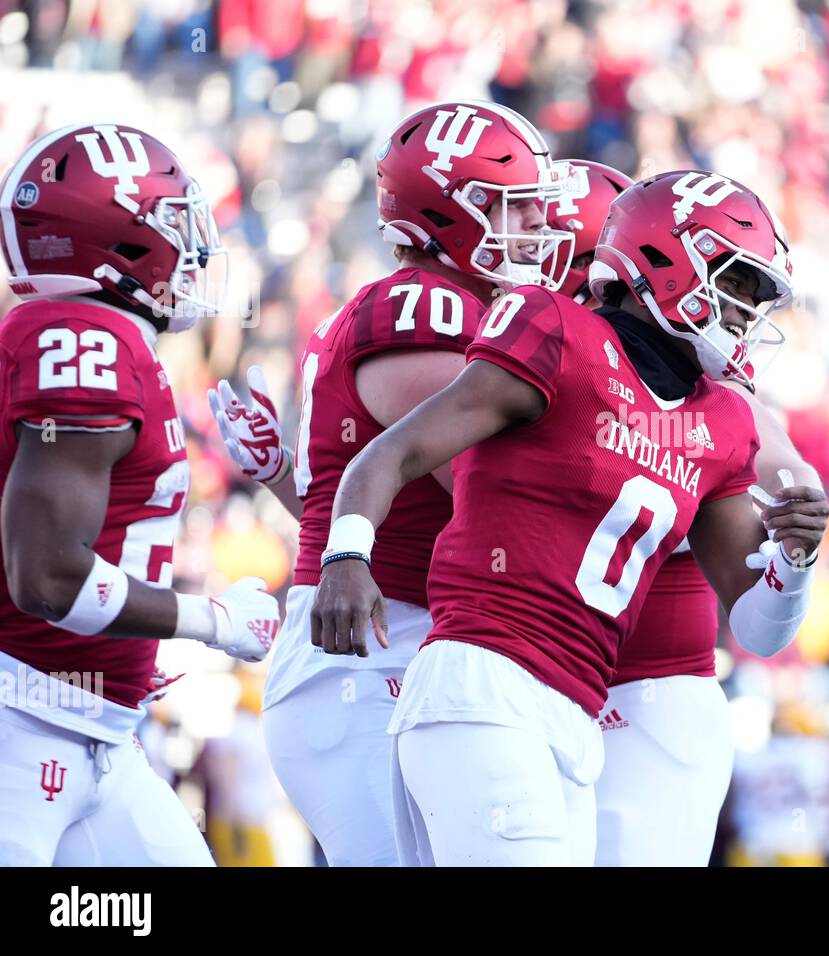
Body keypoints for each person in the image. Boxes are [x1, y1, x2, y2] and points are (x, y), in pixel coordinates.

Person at [313, 169, 829, 865]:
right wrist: (347, 555)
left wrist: (794, 563)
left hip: (574, 715)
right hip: (481, 686)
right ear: (665, 259)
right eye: (736, 283)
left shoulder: (724, 419)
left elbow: (759, 629)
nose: (745, 311)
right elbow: (394, 452)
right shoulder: (559, 334)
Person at [207, 100, 574, 866]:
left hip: (383, 646)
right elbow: (479, 488)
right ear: (448, 211)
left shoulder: (427, 305)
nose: (537, 225)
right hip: (371, 660)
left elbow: (355, 510)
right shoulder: (425, 305)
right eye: (512, 206)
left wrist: (279, 472)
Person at [0, 123, 281, 865]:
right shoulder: (86, 339)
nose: (191, 250)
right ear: (116, 240)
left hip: (92, 731)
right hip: (21, 725)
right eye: (174, 224)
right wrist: (212, 622)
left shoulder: (99, 336)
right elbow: (49, 577)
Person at [547, 160, 824, 866]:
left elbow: (789, 481)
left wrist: (792, 549)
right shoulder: (535, 352)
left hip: (649, 694)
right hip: (535, 686)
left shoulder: (710, 400)